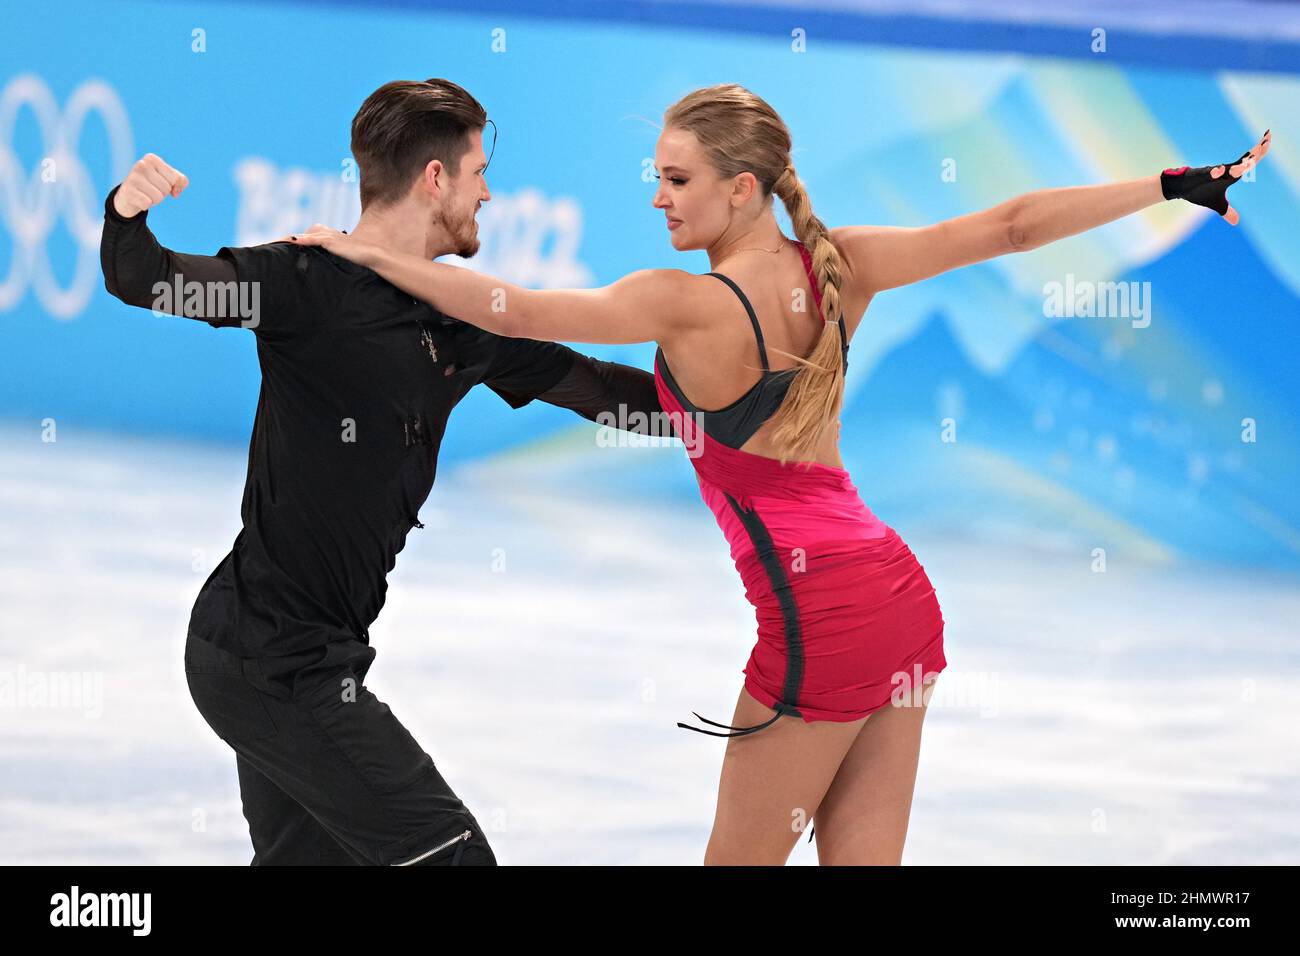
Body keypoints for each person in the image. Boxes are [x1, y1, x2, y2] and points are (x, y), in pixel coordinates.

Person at [289, 83, 1271, 865]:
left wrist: (367, 256)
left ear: (742, 190)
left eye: (676, 179)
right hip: (899, 600)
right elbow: (1012, 226)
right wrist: (1175, 183)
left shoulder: (684, 303)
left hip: (819, 626)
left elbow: (511, 309)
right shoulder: (848, 264)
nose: (657, 196)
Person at [99, 78, 667, 866]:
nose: (488, 193)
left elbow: (602, 392)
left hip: (303, 656)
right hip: (267, 657)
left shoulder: (461, 322)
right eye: (477, 173)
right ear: (434, 180)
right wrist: (127, 211)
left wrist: (731, 405)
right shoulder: (304, 281)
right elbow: (148, 278)